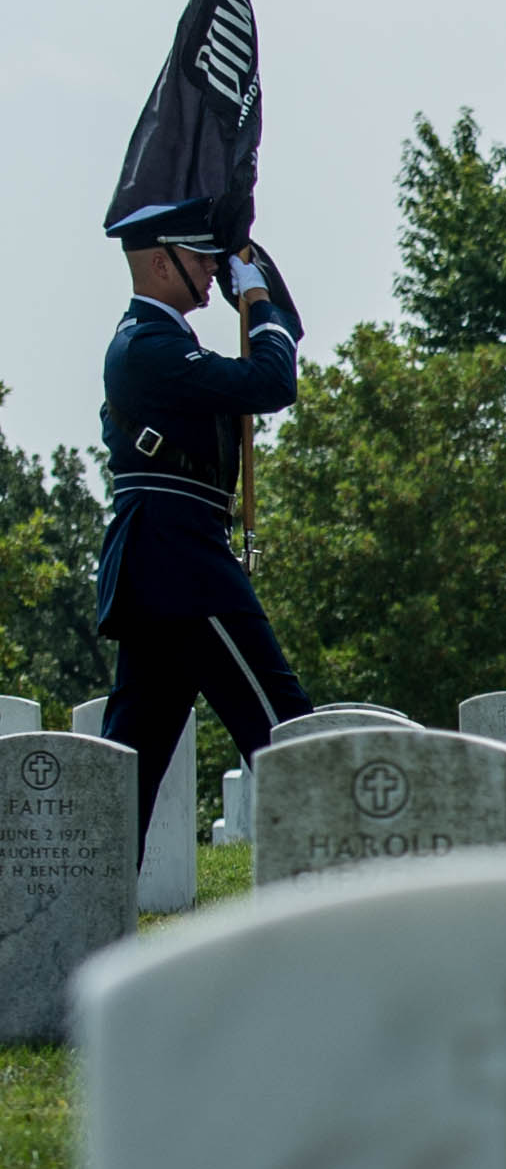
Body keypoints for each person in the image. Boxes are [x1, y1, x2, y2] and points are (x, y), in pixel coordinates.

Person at [95, 194, 310, 862]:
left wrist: (250, 278)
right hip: (181, 564)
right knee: (284, 732)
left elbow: (270, 359)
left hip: (166, 563)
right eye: (198, 255)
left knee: (124, 776)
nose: (211, 268)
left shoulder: (163, 343)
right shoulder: (147, 348)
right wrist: (256, 300)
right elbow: (272, 381)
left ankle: (78, 925)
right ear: (161, 265)